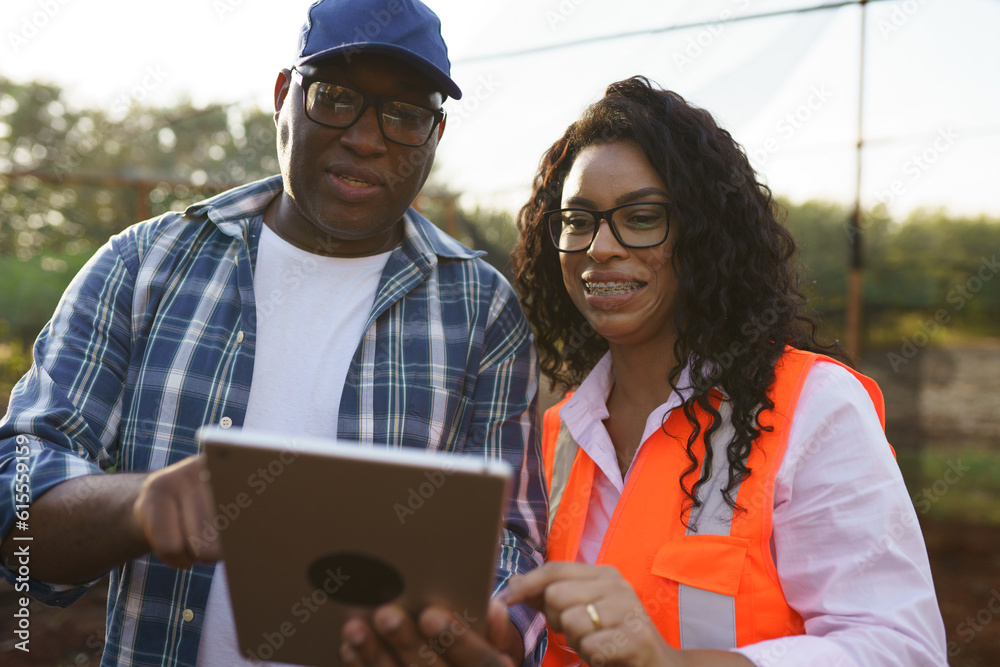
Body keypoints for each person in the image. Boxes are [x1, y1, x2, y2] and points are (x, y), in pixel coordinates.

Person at [0, 1, 547, 665]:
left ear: (435, 136)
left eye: (405, 114)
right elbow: (18, 484)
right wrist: (137, 504)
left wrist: (499, 626)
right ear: (285, 94)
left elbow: (512, 542)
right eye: (338, 96)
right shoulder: (144, 264)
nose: (368, 138)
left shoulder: (484, 312)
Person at [499, 76, 948, 666]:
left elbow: (902, 650)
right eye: (577, 220)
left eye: (640, 217)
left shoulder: (811, 406)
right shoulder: (557, 436)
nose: (599, 247)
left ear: (703, 235)